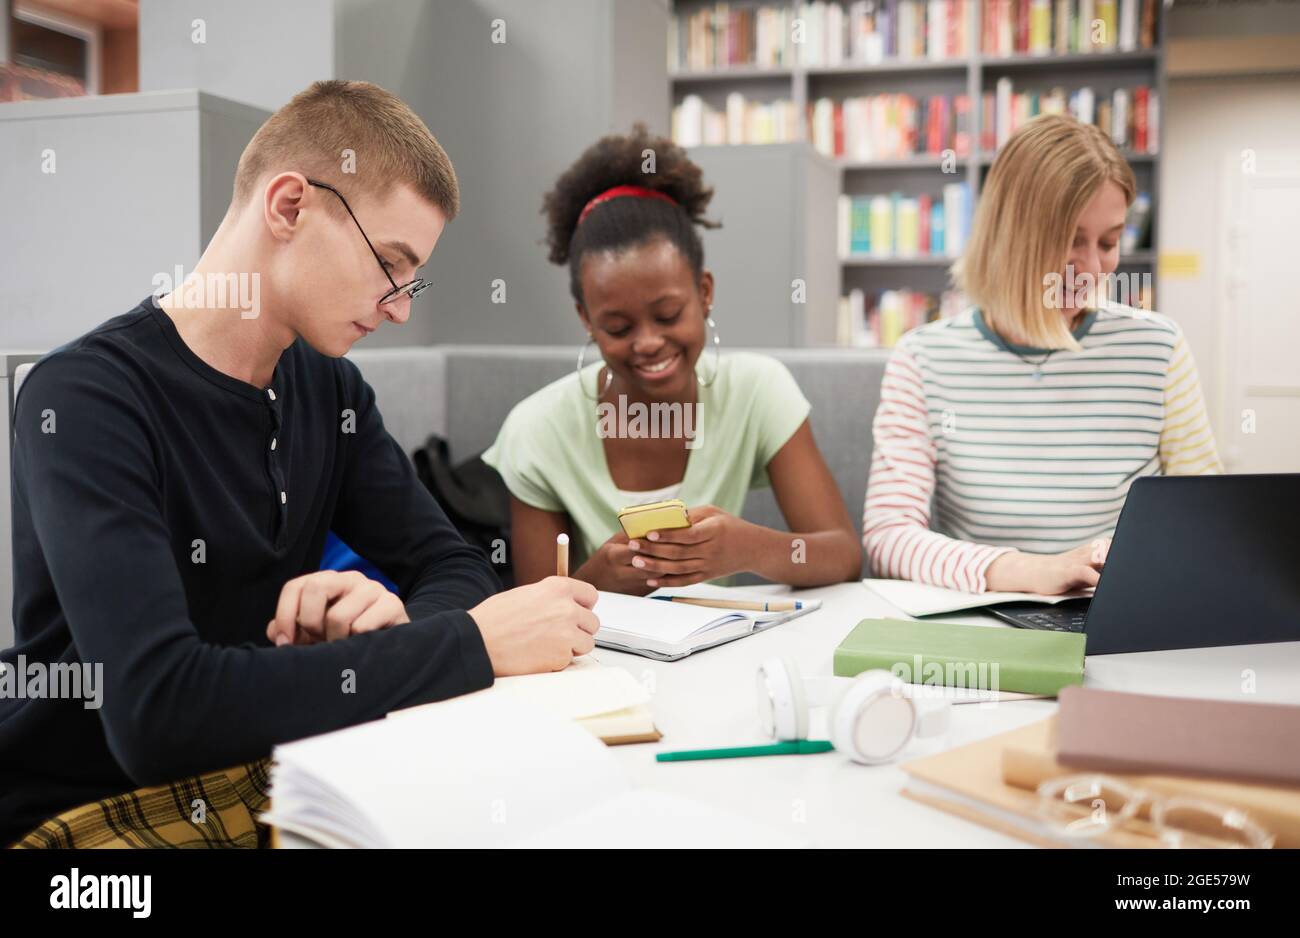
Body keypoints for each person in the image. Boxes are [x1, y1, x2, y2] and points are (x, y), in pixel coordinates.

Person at [0, 80, 597, 847]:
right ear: (289, 205)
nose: (400, 307)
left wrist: (387, 621)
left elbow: (454, 566)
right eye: (389, 263)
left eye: (410, 279)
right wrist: (467, 644)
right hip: (82, 819)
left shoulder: (327, 389)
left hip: (268, 780)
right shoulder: (86, 398)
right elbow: (159, 712)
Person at [483, 126, 861, 593]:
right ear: (586, 319)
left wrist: (747, 548)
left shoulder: (758, 390)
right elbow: (531, 614)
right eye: (618, 328)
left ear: (704, 293)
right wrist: (598, 580)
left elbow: (843, 556)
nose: (647, 342)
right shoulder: (537, 429)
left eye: (667, 315)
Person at [863, 114, 1222, 596]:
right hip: (979, 626)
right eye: (1070, 240)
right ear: (1010, 235)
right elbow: (888, 537)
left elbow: (1206, 522)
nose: (1094, 267)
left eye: (1110, 242)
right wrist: (1031, 571)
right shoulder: (922, 359)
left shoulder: (1158, 348)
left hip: (1120, 617)